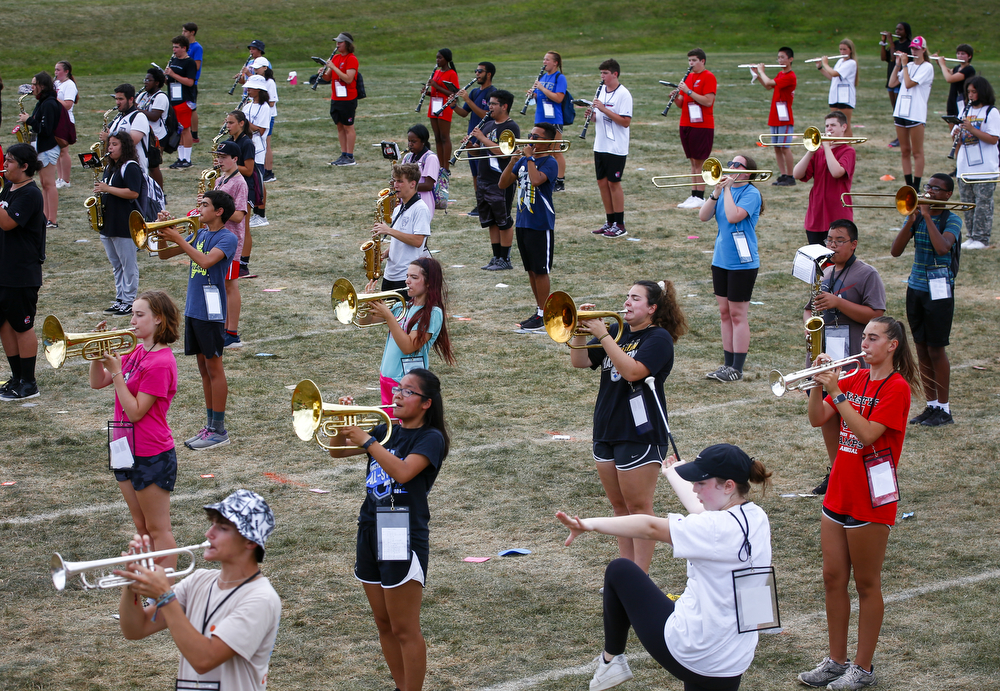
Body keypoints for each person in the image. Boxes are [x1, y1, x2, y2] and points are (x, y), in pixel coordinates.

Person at [556, 443, 774, 691]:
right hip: (732, 661)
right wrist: (672, 474)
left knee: (621, 570)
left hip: (693, 651)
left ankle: (611, 660)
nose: (694, 488)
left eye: (701, 483)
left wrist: (589, 524)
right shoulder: (756, 517)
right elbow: (699, 509)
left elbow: (649, 527)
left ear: (728, 486)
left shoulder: (712, 529)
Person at [799, 317, 918, 690]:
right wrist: (820, 385)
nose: (864, 343)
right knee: (833, 579)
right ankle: (836, 660)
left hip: (871, 496)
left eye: (872, 338)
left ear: (892, 345)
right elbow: (818, 419)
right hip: (839, 490)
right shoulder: (853, 379)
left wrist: (837, 392)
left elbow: (866, 435)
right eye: (863, 337)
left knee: (867, 584)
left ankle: (862, 668)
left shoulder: (896, 389)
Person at [327, 368, 448, 691]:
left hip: (401, 532)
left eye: (408, 391)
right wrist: (342, 428)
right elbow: (336, 451)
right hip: (369, 526)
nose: (397, 394)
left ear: (426, 403)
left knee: (404, 627)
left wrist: (367, 441)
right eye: (398, 388)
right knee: (383, 623)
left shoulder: (431, 438)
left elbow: (405, 472)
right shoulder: (385, 429)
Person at [567, 280, 688, 573]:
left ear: (652, 308)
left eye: (636, 298)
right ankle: (626, 573)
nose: (628, 302)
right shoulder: (614, 333)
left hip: (639, 432)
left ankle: (641, 577)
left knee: (638, 508)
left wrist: (603, 336)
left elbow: (634, 372)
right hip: (606, 427)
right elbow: (579, 361)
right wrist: (581, 333)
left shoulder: (658, 339)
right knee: (620, 511)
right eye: (627, 297)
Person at [116, 489, 280, 691]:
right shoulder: (197, 581)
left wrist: (165, 596)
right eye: (212, 525)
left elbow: (205, 659)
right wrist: (133, 583)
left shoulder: (261, 598)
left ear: (250, 541)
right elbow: (135, 629)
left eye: (222, 528)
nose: (209, 533)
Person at [90, 290, 180, 569]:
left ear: (158, 319)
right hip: (123, 447)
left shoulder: (161, 362)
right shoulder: (137, 350)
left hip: (150, 451)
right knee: (141, 527)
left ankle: (165, 597)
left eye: (139, 315)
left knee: (158, 529)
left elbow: (136, 411)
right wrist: (97, 353)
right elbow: (97, 382)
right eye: (133, 313)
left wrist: (117, 371)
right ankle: (147, 594)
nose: (132, 320)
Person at [803, 220, 887, 494]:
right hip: (825, 354)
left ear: (854, 244)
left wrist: (839, 303)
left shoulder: (866, 274)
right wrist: (809, 324)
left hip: (852, 357)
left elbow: (877, 314)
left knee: (849, 415)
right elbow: (808, 309)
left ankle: (855, 471)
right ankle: (836, 470)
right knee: (827, 414)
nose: (832, 245)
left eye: (839, 240)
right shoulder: (824, 273)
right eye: (829, 240)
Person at [156, 189, 239, 449]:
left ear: (219, 212)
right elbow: (164, 255)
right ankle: (209, 425)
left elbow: (205, 262)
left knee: (215, 368)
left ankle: (219, 429)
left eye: (204, 205)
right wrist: (162, 233)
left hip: (211, 312)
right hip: (194, 309)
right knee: (204, 370)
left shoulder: (227, 238)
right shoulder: (200, 233)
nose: (199, 209)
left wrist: (178, 239)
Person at [890, 173, 962, 427]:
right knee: (920, 347)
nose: (929, 191)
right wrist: (912, 220)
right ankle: (931, 405)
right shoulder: (917, 217)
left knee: (936, 348)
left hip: (940, 291)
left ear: (948, 195)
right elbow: (895, 251)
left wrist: (928, 217)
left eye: (936, 188)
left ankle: (944, 407)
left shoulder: (952, 219)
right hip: (916, 287)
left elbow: (943, 247)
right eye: (928, 186)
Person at [698, 153, 764, 382]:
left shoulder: (752, 193)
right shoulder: (724, 191)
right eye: (730, 164)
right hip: (721, 260)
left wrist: (726, 191)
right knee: (725, 313)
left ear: (747, 172)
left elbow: (734, 216)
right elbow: (703, 216)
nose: (730, 167)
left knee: (738, 314)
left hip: (742, 263)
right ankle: (727, 365)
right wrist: (716, 192)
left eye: (736, 165)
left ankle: (737, 367)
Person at [362, 258, 454, 411]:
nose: (407, 281)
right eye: (407, 276)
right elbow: (366, 321)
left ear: (429, 282)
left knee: (400, 426)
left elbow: (408, 347)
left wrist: (388, 316)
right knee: (391, 426)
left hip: (405, 384)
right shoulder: (402, 306)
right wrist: (367, 303)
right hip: (387, 377)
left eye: (414, 277)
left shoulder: (433, 313)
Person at [498, 122, 559, 331]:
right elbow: (503, 184)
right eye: (530, 135)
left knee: (541, 270)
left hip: (541, 223)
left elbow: (535, 181)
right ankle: (540, 310)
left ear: (549, 142)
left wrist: (530, 158)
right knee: (531, 270)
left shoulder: (550, 162)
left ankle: (545, 314)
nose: (531, 140)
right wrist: (512, 161)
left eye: (537, 137)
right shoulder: (524, 160)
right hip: (524, 221)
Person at [0, 144, 45, 402]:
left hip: (21, 272)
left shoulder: (30, 194)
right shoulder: (9, 187)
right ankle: (16, 378)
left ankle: (29, 382)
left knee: (22, 326)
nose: (5, 165)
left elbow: (7, 223)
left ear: (24, 166)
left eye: (10, 161)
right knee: (5, 325)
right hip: (4, 269)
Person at [470, 90, 519, 269]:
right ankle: (496, 256)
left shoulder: (510, 127)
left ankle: (505, 258)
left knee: (503, 220)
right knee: (490, 220)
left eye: (493, 104)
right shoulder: (488, 124)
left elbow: (505, 153)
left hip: (501, 180)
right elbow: (476, 151)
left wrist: (482, 138)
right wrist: (470, 144)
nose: (489, 107)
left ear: (504, 106)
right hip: (484, 179)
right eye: (489, 103)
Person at [95, 132, 143, 316]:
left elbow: (133, 193)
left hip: (124, 223)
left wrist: (107, 189)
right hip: (108, 223)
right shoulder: (110, 167)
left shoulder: (130, 167)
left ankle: (129, 301)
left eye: (114, 144)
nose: (110, 148)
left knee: (128, 264)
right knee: (116, 264)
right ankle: (120, 298)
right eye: (109, 144)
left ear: (124, 146)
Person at [583, 59, 633, 237]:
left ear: (615, 74)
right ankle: (609, 221)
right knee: (602, 183)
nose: (602, 77)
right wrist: (593, 115)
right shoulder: (601, 91)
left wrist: (603, 109)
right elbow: (601, 116)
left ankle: (620, 224)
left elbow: (625, 122)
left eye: (605, 73)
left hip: (616, 147)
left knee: (614, 183)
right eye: (601, 73)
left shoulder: (624, 94)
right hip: (601, 144)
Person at [793, 111, 857, 245]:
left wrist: (827, 147)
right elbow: (797, 174)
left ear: (844, 127)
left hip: (838, 214)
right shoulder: (818, 152)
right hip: (816, 215)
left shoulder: (848, 151)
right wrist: (811, 150)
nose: (829, 129)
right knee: (818, 262)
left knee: (837, 261)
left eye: (833, 125)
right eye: (827, 126)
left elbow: (836, 172)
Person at [372, 163, 432, 299]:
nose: (395, 185)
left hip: (406, 276)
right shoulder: (399, 209)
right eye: (394, 180)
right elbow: (400, 239)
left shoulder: (420, 209)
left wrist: (389, 230)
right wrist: (386, 253)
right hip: (390, 274)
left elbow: (418, 241)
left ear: (412, 184)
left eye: (400, 181)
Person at [210, 141, 248, 348]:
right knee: (218, 285)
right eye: (219, 156)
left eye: (224, 157)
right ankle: (220, 327)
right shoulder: (221, 179)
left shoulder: (239, 182)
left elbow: (239, 215)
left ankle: (231, 333)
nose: (220, 160)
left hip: (230, 240)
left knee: (230, 285)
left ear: (235, 159)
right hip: (216, 237)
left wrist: (215, 208)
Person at [953, 76, 998, 250]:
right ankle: (971, 235)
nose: (970, 95)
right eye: (968, 92)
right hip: (965, 166)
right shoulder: (965, 111)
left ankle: (982, 238)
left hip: (985, 167)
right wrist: (957, 132)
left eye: (974, 92)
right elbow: (961, 138)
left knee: (983, 204)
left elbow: (993, 139)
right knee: (968, 203)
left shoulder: (991, 112)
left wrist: (972, 129)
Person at [889, 37, 934, 192]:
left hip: (916, 113)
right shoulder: (908, 65)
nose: (913, 51)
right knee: (904, 150)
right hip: (901, 112)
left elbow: (908, 84)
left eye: (916, 48)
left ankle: (917, 184)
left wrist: (904, 66)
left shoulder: (927, 67)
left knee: (917, 152)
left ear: (923, 50)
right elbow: (892, 83)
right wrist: (897, 65)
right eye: (912, 48)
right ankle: (908, 185)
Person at [673, 49, 717, 208]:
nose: (691, 64)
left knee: (700, 161)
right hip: (686, 122)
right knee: (692, 161)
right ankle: (694, 194)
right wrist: (676, 98)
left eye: (694, 60)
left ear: (702, 61)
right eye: (689, 61)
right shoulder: (689, 77)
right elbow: (683, 103)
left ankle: (700, 196)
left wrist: (688, 91)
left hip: (702, 124)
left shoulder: (709, 77)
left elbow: (707, 101)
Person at [18, 72, 61, 228]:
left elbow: (46, 129)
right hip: (43, 147)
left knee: (49, 184)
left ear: (42, 86)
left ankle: (53, 220)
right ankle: (45, 217)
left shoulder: (49, 103)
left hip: (48, 148)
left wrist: (28, 120)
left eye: (34, 84)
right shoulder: (43, 102)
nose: (32, 87)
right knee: (44, 184)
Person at [454, 61, 496, 217]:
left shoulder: (492, 93)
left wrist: (468, 100)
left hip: (484, 137)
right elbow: (464, 113)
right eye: (476, 71)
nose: (477, 74)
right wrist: (453, 105)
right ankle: (480, 203)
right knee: (475, 173)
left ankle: (487, 203)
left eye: (480, 71)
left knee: (484, 172)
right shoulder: (474, 92)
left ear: (488, 74)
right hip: (472, 136)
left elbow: (487, 116)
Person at [753, 48, 796, 186]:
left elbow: (771, 82)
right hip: (775, 116)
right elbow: (768, 86)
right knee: (776, 147)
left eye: (783, 57)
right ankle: (783, 174)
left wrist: (762, 71)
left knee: (784, 147)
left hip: (784, 117)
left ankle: (790, 176)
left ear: (790, 59)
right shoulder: (780, 74)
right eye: (778, 57)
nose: (780, 60)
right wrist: (758, 75)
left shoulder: (790, 76)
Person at [526, 51, 568, 191]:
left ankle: (560, 181)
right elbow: (540, 98)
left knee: (555, 151)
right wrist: (532, 95)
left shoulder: (559, 78)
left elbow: (558, 98)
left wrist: (542, 88)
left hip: (554, 119)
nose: (544, 62)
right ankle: (543, 176)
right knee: (540, 149)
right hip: (540, 117)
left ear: (555, 63)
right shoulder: (543, 77)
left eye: (548, 60)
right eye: (544, 59)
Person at [226, 111, 259, 278]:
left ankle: (244, 265)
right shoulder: (229, 141)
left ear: (241, 123)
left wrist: (229, 166)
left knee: (243, 227)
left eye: (231, 123)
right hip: (231, 187)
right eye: (227, 123)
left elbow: (249, 169)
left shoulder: (246, 143)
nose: (228, 126)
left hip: (245, 187)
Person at [323, 32, 358, 166]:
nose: (337, 45)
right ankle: (343, 154)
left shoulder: (351, 59)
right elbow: (328, 77)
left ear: (347, 44)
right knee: (340, 126)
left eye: (340, 42)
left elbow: (348, 79)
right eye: (336, 42)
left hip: (348, 98)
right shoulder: (336, 58)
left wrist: (334, 67)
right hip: (336, 97)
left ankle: (350, 156)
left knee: (348, 126)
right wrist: (323, 72)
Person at [164, 35, 198, 169]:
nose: (174, 50)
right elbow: (171, 80)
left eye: (177, 47)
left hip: (185, 99)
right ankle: (181, 157)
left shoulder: (189, 63)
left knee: (185, 129)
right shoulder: (173, 60)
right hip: (173, 98)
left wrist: (173, 75)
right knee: (177, 129)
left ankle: (187, 158)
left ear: (184, 48)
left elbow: (190, 82)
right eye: (173, 47)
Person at [242, 75, 270, 227]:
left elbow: (261, 130)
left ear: (259, 90)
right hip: (246, 146)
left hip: (257, 148)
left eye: (251, 88)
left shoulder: (265, 108)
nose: (248, 90)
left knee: (259, 182)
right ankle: (252, 213)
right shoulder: (247, 106)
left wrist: (244, 122)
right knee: (249, 182)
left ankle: (261, 215)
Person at [104, 84, 151, 176]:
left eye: (121, 99)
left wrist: (108, 137)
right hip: (118, 166)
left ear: (131, 99)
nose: (117, 102)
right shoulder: (118, 118)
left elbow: (132, 141)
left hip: (134, 167)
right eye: (116, 99)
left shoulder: (139, 117)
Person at [425, 49, 459, 171]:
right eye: (437, 58)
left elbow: (454, 93)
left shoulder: (451, 74)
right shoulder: (437, 72)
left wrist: (436, 86)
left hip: (445, 106)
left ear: (447, 59)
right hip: (434, 105)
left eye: (440, 58)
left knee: (445, 137)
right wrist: (428, 92)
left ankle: (446, 166)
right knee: (437, 137)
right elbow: (436, 91)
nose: (437, 60)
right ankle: (439, 165)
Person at [879, 22, 912, 147]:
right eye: (896, 29)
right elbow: (884, 58)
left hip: (901, 81)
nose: (897, 31)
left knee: (900, 110)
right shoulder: (896, 44)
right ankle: (900, 135)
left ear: (906, 31)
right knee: (895, 109)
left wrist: (891, 41)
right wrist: (884, 43)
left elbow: (893, 58)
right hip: (891, 80)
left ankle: (902, 137)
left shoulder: (908, 46)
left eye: (900, 29)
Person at [136, 68, 169, 191]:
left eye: (149, 80)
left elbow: (155, 116)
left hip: (157, 137)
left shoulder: (160, 97)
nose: (145, 82)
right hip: (144, 134)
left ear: (156, 82)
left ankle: (159, 193)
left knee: (153, 166)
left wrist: (136, 109)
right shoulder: (143, 95)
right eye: (145, 79)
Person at [817, 39, 858, 137]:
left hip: (845, 97)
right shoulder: (840, 61)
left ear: (850, 50)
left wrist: (825, 63)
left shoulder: (851, 63)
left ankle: (848, 150)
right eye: (840, 49)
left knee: (845, 126)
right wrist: (820, 67)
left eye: (845, 49)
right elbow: (832, 77)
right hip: (835, 95)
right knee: (835, 125)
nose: (842, 52)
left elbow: (835, 73)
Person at [400, 124, 441, 220]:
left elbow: (428, 185)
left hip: (423, 201)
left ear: (423, 142)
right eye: (409, 141)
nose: (410, 144)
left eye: (414, 142)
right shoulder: (407, 157)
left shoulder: (431, 158)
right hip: (406, 201)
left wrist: (406, 187)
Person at [933, 44, 975, 136]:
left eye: (963, 54)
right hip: (953, 101)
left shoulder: (969, 70)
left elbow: (950, 79)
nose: (960, 56)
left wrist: (943, 64)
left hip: (962, 103)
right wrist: (938, 63)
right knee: (953, 134)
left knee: (960, 134)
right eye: (958, 53)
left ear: (969, 56)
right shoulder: (958, 68)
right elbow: (949, 72)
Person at [252, 60, 278, 183]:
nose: (255, 70)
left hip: (268, 115)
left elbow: (272, 102)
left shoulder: (270, 82)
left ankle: (268, 171)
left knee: (266, 144)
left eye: (258, 68)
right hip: (259, 113)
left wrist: (259, 101)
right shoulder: (257, 80)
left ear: (265, 68)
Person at [53, 60, 78, 190]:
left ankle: (66, 179)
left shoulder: (69, 85)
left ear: (66, 71)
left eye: (58, 70)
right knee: (57, 151)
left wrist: (53, 97)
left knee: (63, 151)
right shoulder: (57, 83)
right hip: (56, 120)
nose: (56, 72)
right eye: (55, 70)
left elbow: (68, 104)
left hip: (66, 121)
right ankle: (60, 178)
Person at [181, 23, 202, 143]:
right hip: (182, 81)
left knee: (192, 108)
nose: (183, 33)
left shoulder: (197, 47)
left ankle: (194, 134)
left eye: (185, 31)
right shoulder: (184, 47)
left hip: (191, 82)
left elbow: (197, 66)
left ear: (192, 32)